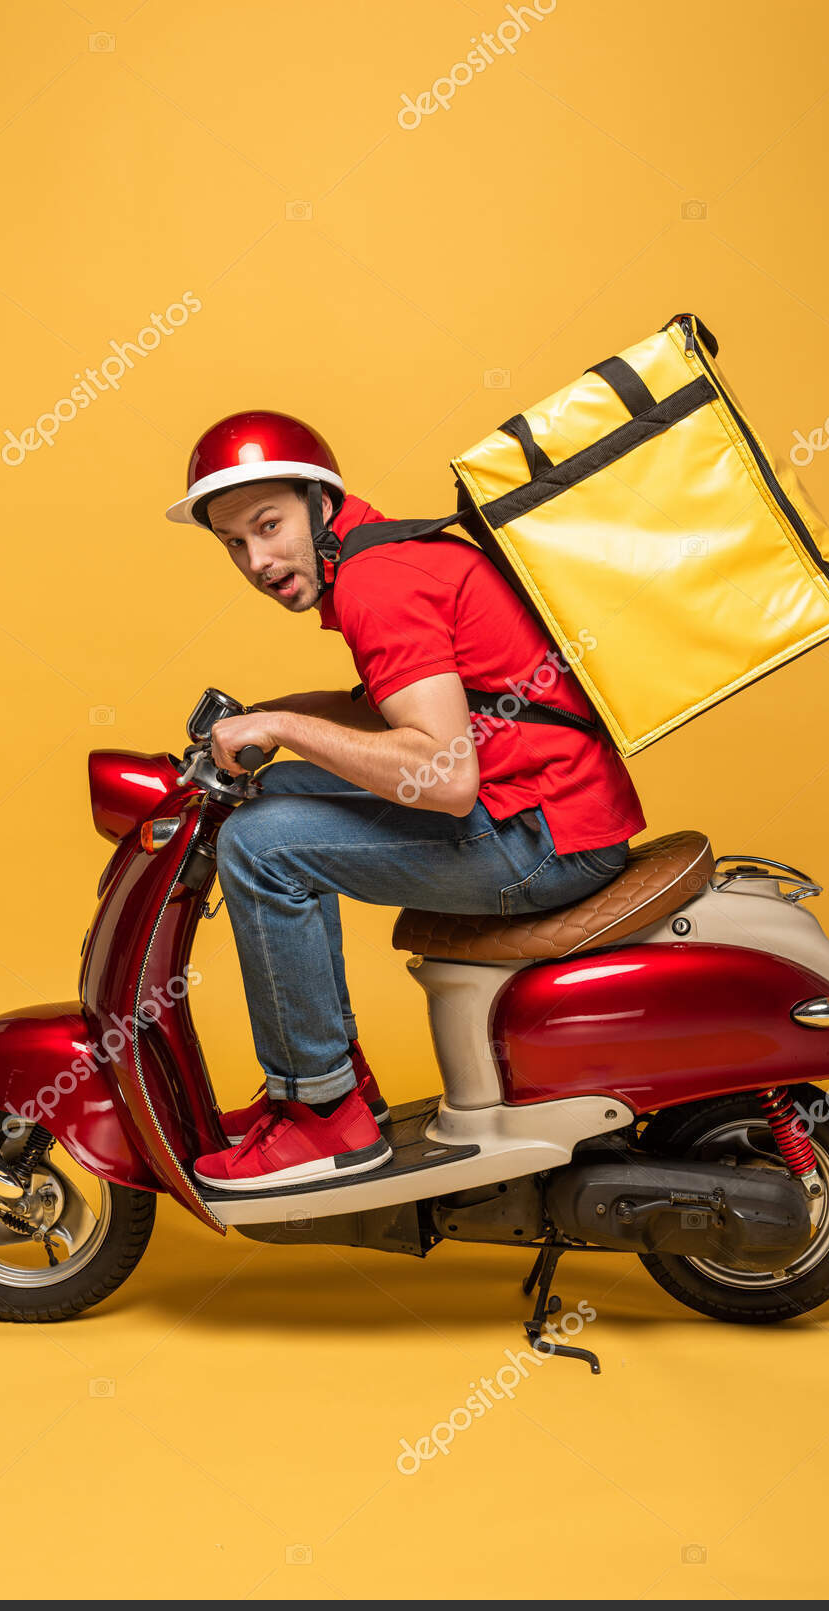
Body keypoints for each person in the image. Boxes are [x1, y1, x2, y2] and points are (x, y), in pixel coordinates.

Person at [164, 411, 647, 1193]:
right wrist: (280, 715)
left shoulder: (377, 585)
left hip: (542, 838)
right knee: (273, 792)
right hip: (552, 809)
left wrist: (286, 722)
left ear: (321, 502)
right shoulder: (384, 559)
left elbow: (445, 777)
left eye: (269, 525)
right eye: (235, 545)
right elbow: (412, 715)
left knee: (259, 842)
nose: (258, 560)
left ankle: (322, 1114)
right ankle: (327, 1080)